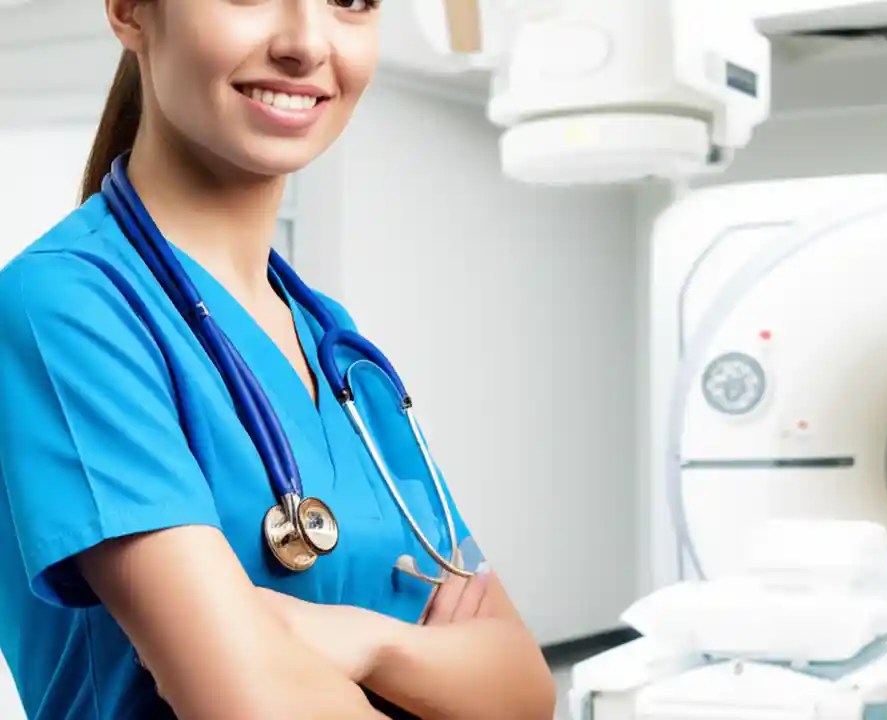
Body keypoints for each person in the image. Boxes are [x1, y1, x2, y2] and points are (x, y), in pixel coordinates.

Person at [0, 1, 556, 718]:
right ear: (130, 11)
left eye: (350, 0)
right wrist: (424, 669)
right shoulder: (63, 308)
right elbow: (253, 707)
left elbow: (524, 690)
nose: (304, 43)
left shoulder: (339, 348)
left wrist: (357, 643)